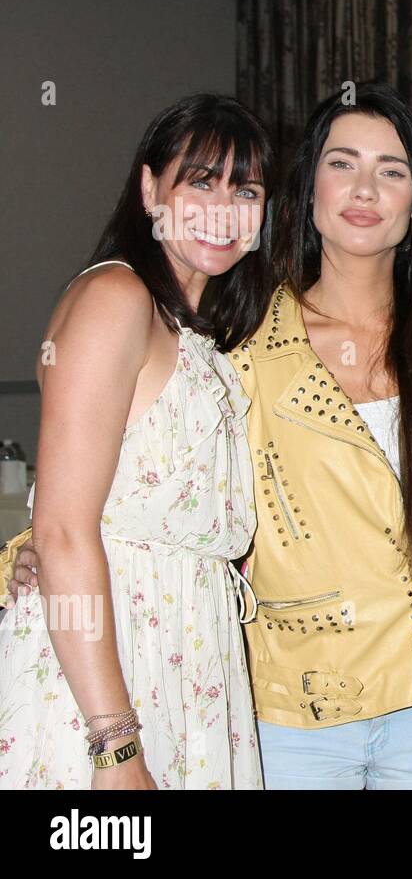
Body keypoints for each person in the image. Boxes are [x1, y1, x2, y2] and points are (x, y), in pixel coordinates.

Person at [6, 83, 412, 790]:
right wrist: (29, 550)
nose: (364, 188)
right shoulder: (245, 339)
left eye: (393, 170)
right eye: (342, 163)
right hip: (285, 700)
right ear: (309, 189)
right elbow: (88, 491)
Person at [0, 94, 273, 788]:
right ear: (151, 188)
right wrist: (115, 744)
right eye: (200, 180)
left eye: (245, 189)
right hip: (110, 673)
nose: (223, 206)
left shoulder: (196, 331)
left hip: (189, 661)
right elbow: (60, 531)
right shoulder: (116, 298)